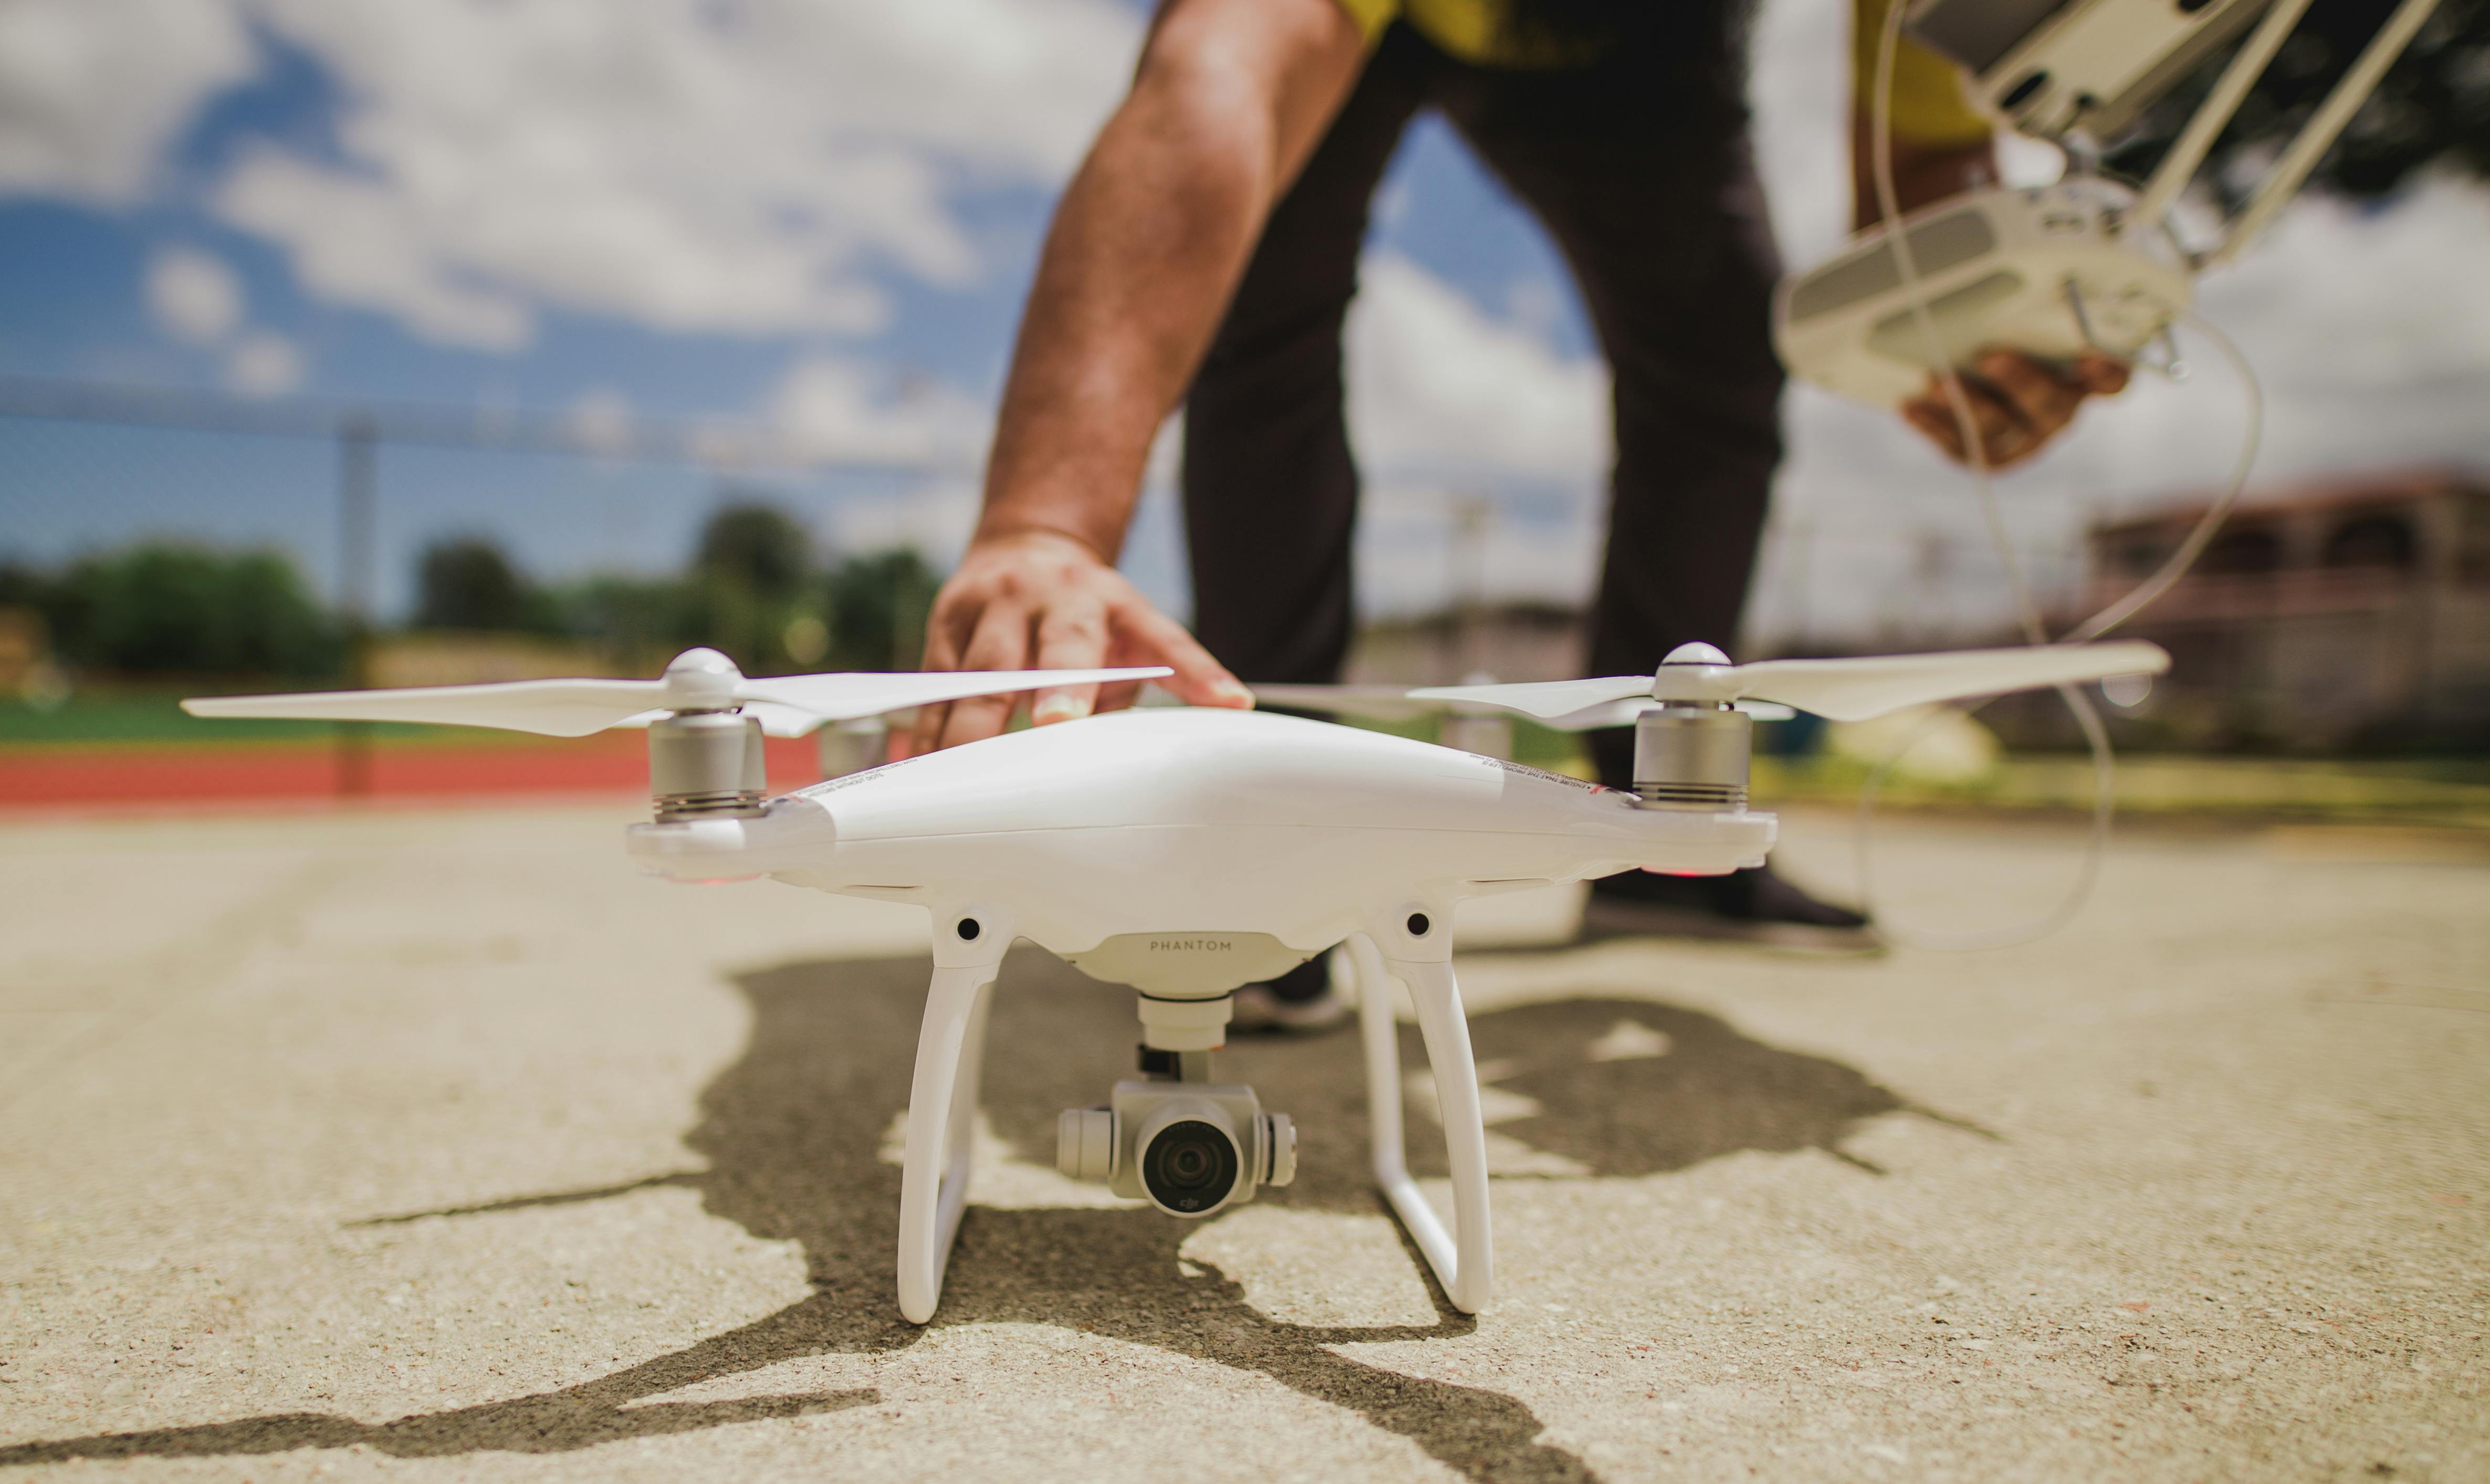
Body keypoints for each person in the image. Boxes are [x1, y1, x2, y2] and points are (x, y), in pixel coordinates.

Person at [909, 0, 2127, 1006]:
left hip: (1640, 42)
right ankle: (1258, 845)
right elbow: (1213, 77)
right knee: (1252, 304)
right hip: (1355, 27)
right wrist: (1045, 521)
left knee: (1719, 346)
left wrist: (1963, 331)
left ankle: (1661, 828)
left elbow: (1913, 173)